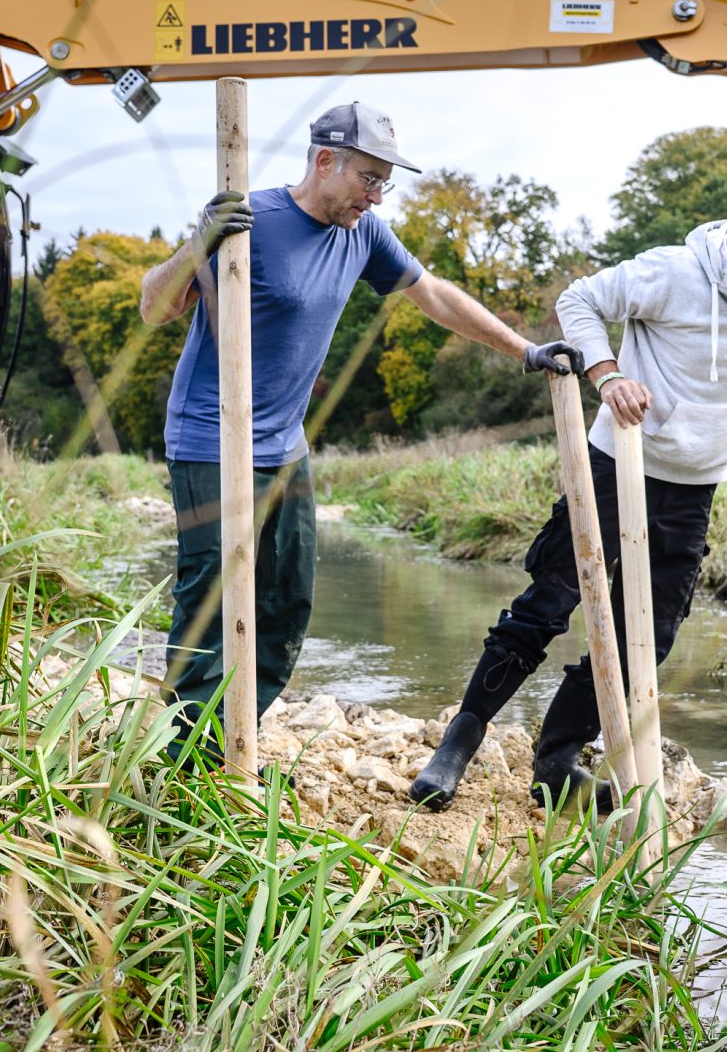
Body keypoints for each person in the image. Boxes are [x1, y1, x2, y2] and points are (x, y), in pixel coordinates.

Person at [409, 197, 727, 812]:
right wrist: (609, 376)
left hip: (697, 480)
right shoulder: (672, 273)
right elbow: (579, 300)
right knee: (551, 601)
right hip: (617, 461)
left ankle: (559, 757)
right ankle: (460, 741)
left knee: (650, 632)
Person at [138, 101, 578, 758]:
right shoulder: (248, 219)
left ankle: (230, 735)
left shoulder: (363, 234)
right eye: (368, 179)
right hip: (209, 438)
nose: (375, 196)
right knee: (209, 601)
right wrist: (199, 243)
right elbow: (155, 308)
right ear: (324, 161)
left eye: (383, 183)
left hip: (284, 446)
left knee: (286, 603)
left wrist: (524, 350)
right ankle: (180, 759)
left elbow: (435, 295)